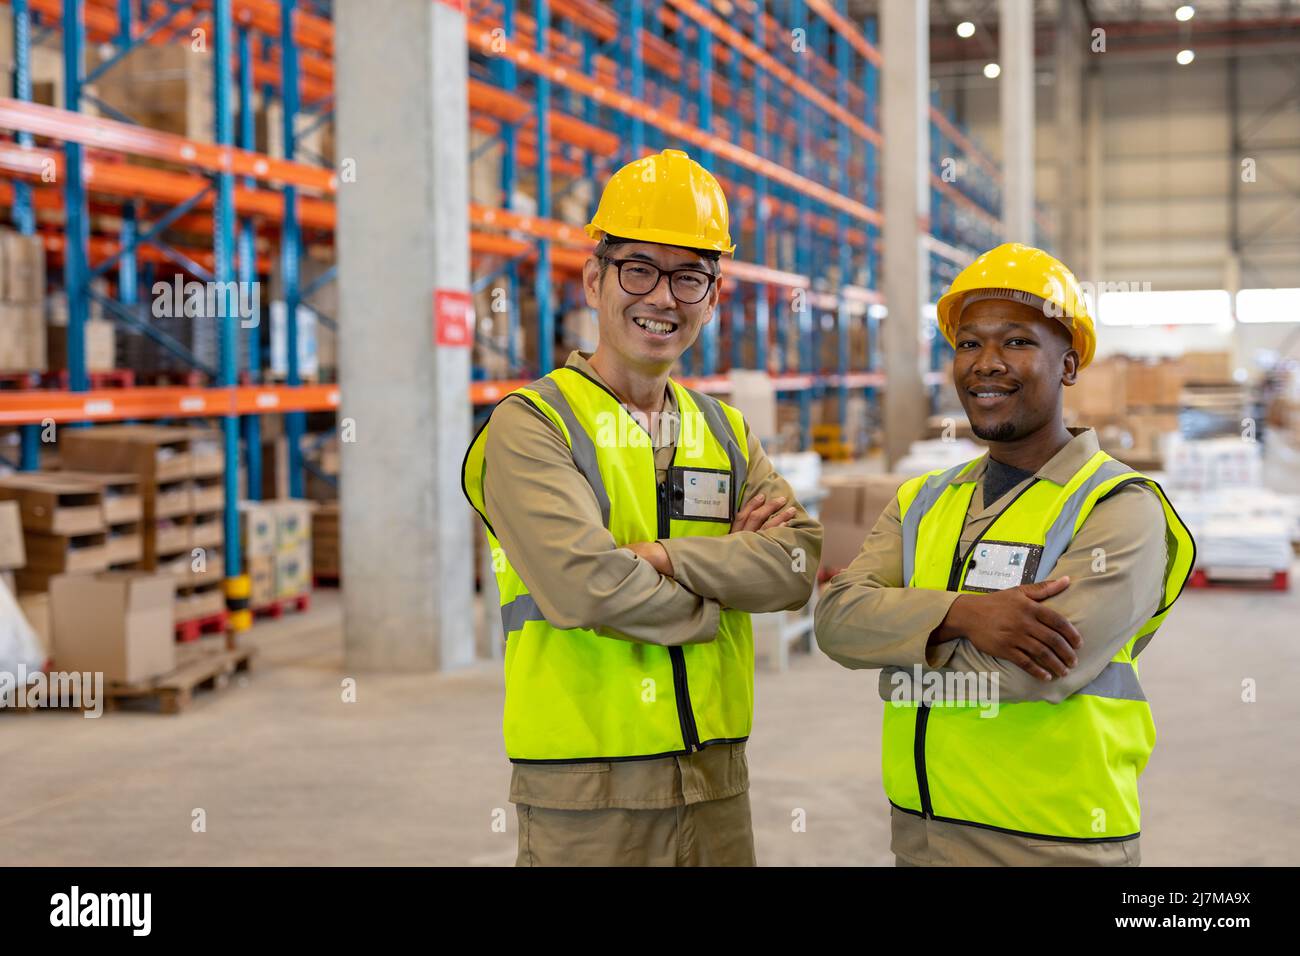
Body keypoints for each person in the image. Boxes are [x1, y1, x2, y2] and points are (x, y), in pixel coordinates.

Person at [463, 148, 822, 866]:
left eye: (690, 276)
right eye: (639, 270)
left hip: (717, 782)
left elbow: (793, 566)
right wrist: (720, 594)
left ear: (713, 297)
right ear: (596, 279)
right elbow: (583, 584)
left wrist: (658, 560)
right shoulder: (533, 425)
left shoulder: (723, 430)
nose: (663, 297)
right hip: (587, 792)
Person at [814, 242, 1195, 866]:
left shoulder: (1118, 507)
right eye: (969, 344)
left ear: (1069, 365)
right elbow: (834, 621)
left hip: (1052, 843)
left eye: (1016, 341)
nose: (986, 363)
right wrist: (965, 615)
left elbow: (1028, 673)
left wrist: (898, 664)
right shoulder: (922, 501)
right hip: (920, 837)